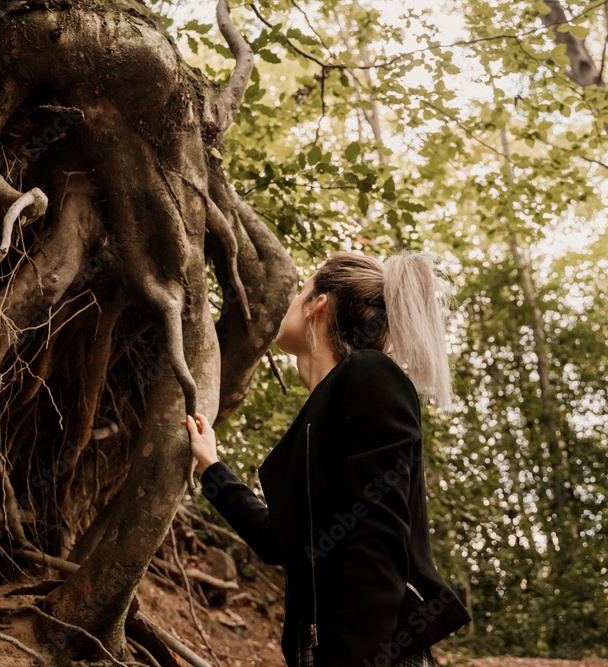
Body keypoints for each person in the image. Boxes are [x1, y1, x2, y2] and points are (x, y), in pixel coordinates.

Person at [181, 250, 471, 667]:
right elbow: (278, 540)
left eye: (301, 291)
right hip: (323, 648)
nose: (291, 303)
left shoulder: (371, 374)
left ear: (319, 302)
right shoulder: (323, 415)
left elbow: (377, 538)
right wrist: (213, 468)